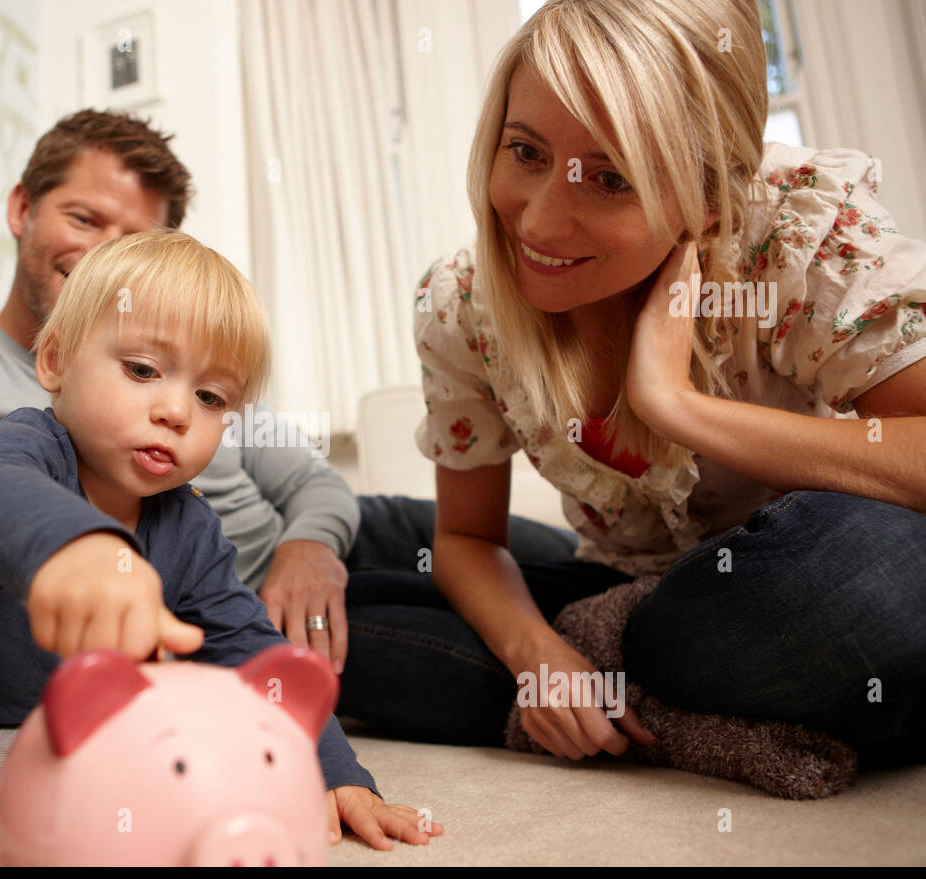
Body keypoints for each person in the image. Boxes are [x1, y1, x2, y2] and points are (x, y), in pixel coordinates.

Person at [0, 108, 576, 676]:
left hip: (341, 537)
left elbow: (317, 481)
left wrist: (307, 547)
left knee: (560, 559)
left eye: (132, 242)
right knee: (475, 652)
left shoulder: (198, 372)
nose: (101, 260)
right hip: (240, 597)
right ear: (21, 210)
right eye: (84, 218)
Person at [335, 0, 926, 763]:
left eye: (610, 179)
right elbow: (467, 540)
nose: (540, 225)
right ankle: (672, 701)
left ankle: (637, 689)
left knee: (859, 589)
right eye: (526, 152)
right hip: (628, 594)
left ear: (711, 199)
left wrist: (672, 404)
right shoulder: (462, 303)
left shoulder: (796, 232)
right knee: (351, 615)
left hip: (788, 577)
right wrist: (537, 659)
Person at [0, 230, 443, 850]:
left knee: (209, 693)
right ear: (54, 363)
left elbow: (253, 650)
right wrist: (74, 548)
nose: (174, 410)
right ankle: (95, 771)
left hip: (79, 721)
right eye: (142, 370)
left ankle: (99, 764)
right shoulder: (20, 445)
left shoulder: (190, 524)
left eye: (211, 398)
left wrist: (331, 771)